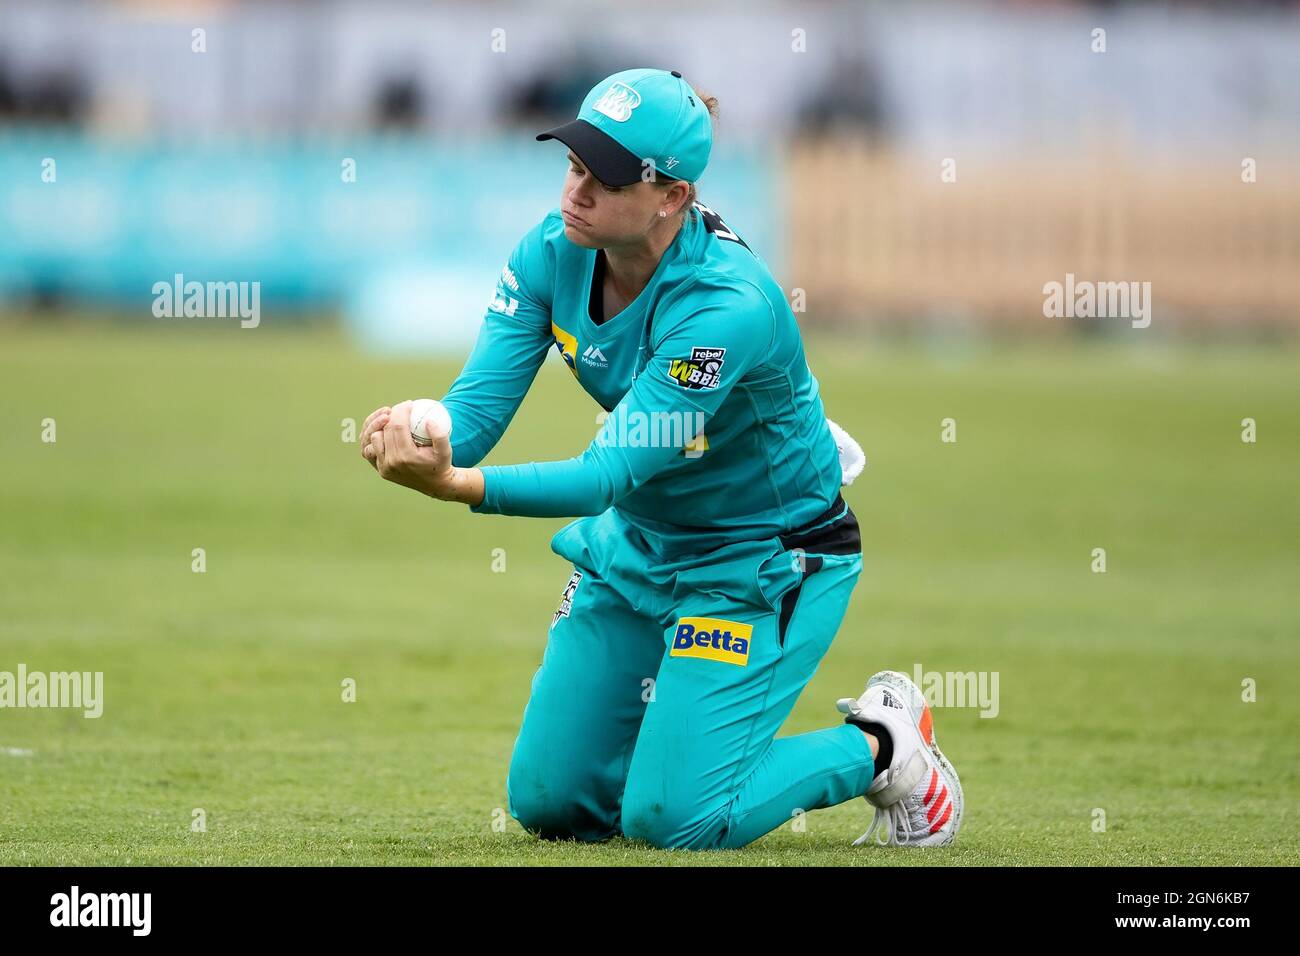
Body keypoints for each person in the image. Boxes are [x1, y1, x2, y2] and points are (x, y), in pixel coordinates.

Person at [360, 68, 962, 850]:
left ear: (670, 197)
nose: (575, 192)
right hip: (637, 546)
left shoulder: (724, 308)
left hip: (761, 562)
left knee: (675, 820)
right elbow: (471, 418)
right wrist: (429, 433)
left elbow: (606, 473)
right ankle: (677, 755)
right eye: (573, 164)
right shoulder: (551, 252)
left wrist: (458, 488)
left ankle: (886, 746)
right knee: (551, 800)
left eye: (602, 179)